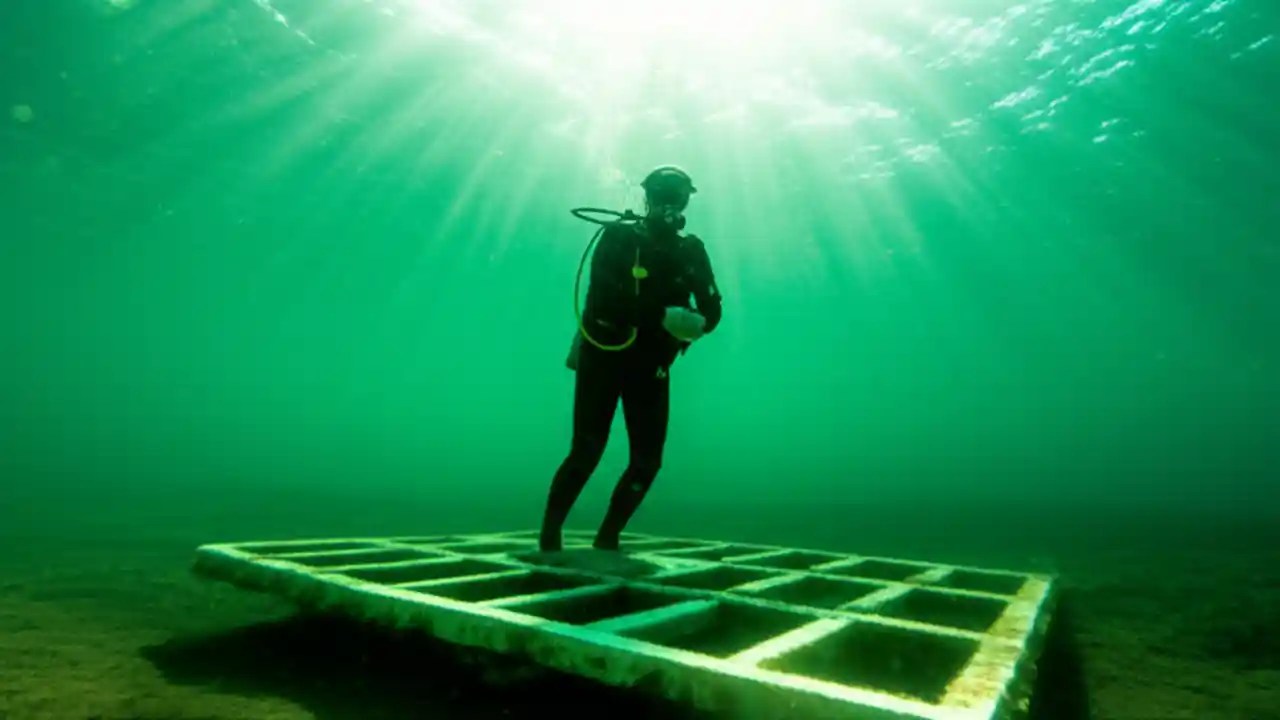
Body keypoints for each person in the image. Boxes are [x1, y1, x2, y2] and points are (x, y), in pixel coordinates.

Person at [539, 166, 723, 554]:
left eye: (678, 197)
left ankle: (608, 539)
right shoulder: (618, 236)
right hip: (603, 355)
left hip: (652, 365)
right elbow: (604, 297)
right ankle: (550, 537)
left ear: (687, 201)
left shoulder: (691, 250)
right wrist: (666, 316)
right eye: (661, 195)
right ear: (647, 198)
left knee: (647, 461)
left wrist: (692, 323)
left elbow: (713, 310)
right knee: (587, 450)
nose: (670, 204)